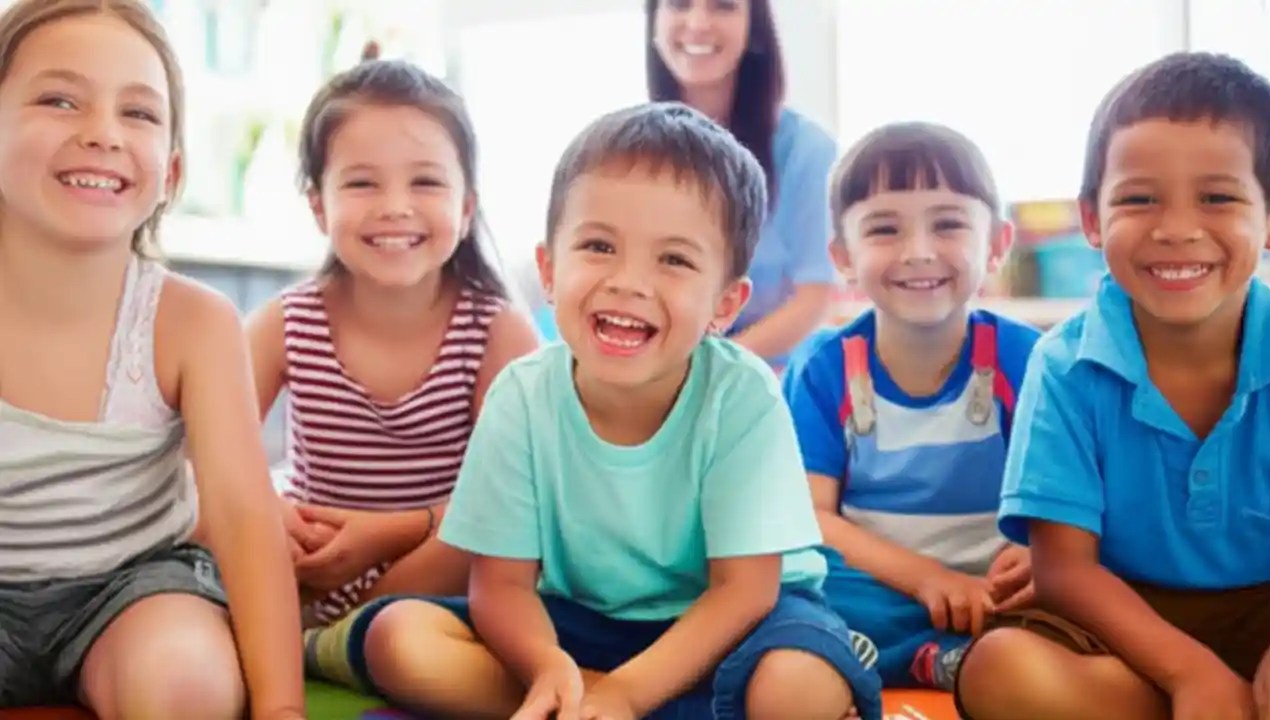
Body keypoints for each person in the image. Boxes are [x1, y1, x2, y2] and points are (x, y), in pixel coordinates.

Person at [304, 102, 884, 719]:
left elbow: (744, 591)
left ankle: (610, 706)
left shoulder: (742, 394)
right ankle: (591, 702)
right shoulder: (523, 396)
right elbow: (500, 586)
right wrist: (546, 666)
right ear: (549, 271)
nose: (629, 282)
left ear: (726, 302)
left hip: (736, 623)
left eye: (675, 260)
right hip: (579, 624)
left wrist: (628, 693)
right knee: (403, 640)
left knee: (795, 689)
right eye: (599, 246)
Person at [954, 52, 1270, 720]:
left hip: (1269, 611)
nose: (1177, 228)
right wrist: (1191, 674)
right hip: (1125, 618)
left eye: (1217, 197)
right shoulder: (1065, 365)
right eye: (1139, 198)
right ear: (1093, 219)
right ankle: (1210, 702)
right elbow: (1065, 570)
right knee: (1000, 671)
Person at [0, 0, 304, 717]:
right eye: (59, 98)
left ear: (169, 170)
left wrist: (284, 708)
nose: (101, 133)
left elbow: (241, 515)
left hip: (132, 591)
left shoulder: (191, 322)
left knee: (184, 681)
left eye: (137, 113)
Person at [246, 42, 539, 627]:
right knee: (225, 513)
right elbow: (207, 459)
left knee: (495, 526)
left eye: (426, 183)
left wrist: (389, 534)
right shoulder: (285, 323)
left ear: (465, 207)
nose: (395, 207)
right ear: (318, 207)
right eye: (361, 184)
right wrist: (270, 514)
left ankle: (346, 639)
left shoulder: (496, 332)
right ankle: (324, 639)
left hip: (439, 586)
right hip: (306, 575)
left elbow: (521, 501)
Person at [782, 122, 1041, 693]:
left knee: (1075, 579)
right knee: (789, 576)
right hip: (879, 582)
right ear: (843, 256)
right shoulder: (824, 368)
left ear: (997, 243)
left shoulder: (1030, 360)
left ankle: (910, 655)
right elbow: (813, 517)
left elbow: (1064, 496)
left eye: (948, 224)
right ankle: (928, 654)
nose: (918, 252)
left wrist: (1033, 553)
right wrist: (927, 578)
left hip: (994, 589)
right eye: (884, 229)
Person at [647, 0, 838, 368]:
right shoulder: (626, 153)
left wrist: (707, 368)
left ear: (755, 27)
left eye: (723, 6)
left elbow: (812, 299)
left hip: (767, 376)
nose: (698, 22)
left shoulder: (808, 151)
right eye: (679, 5)